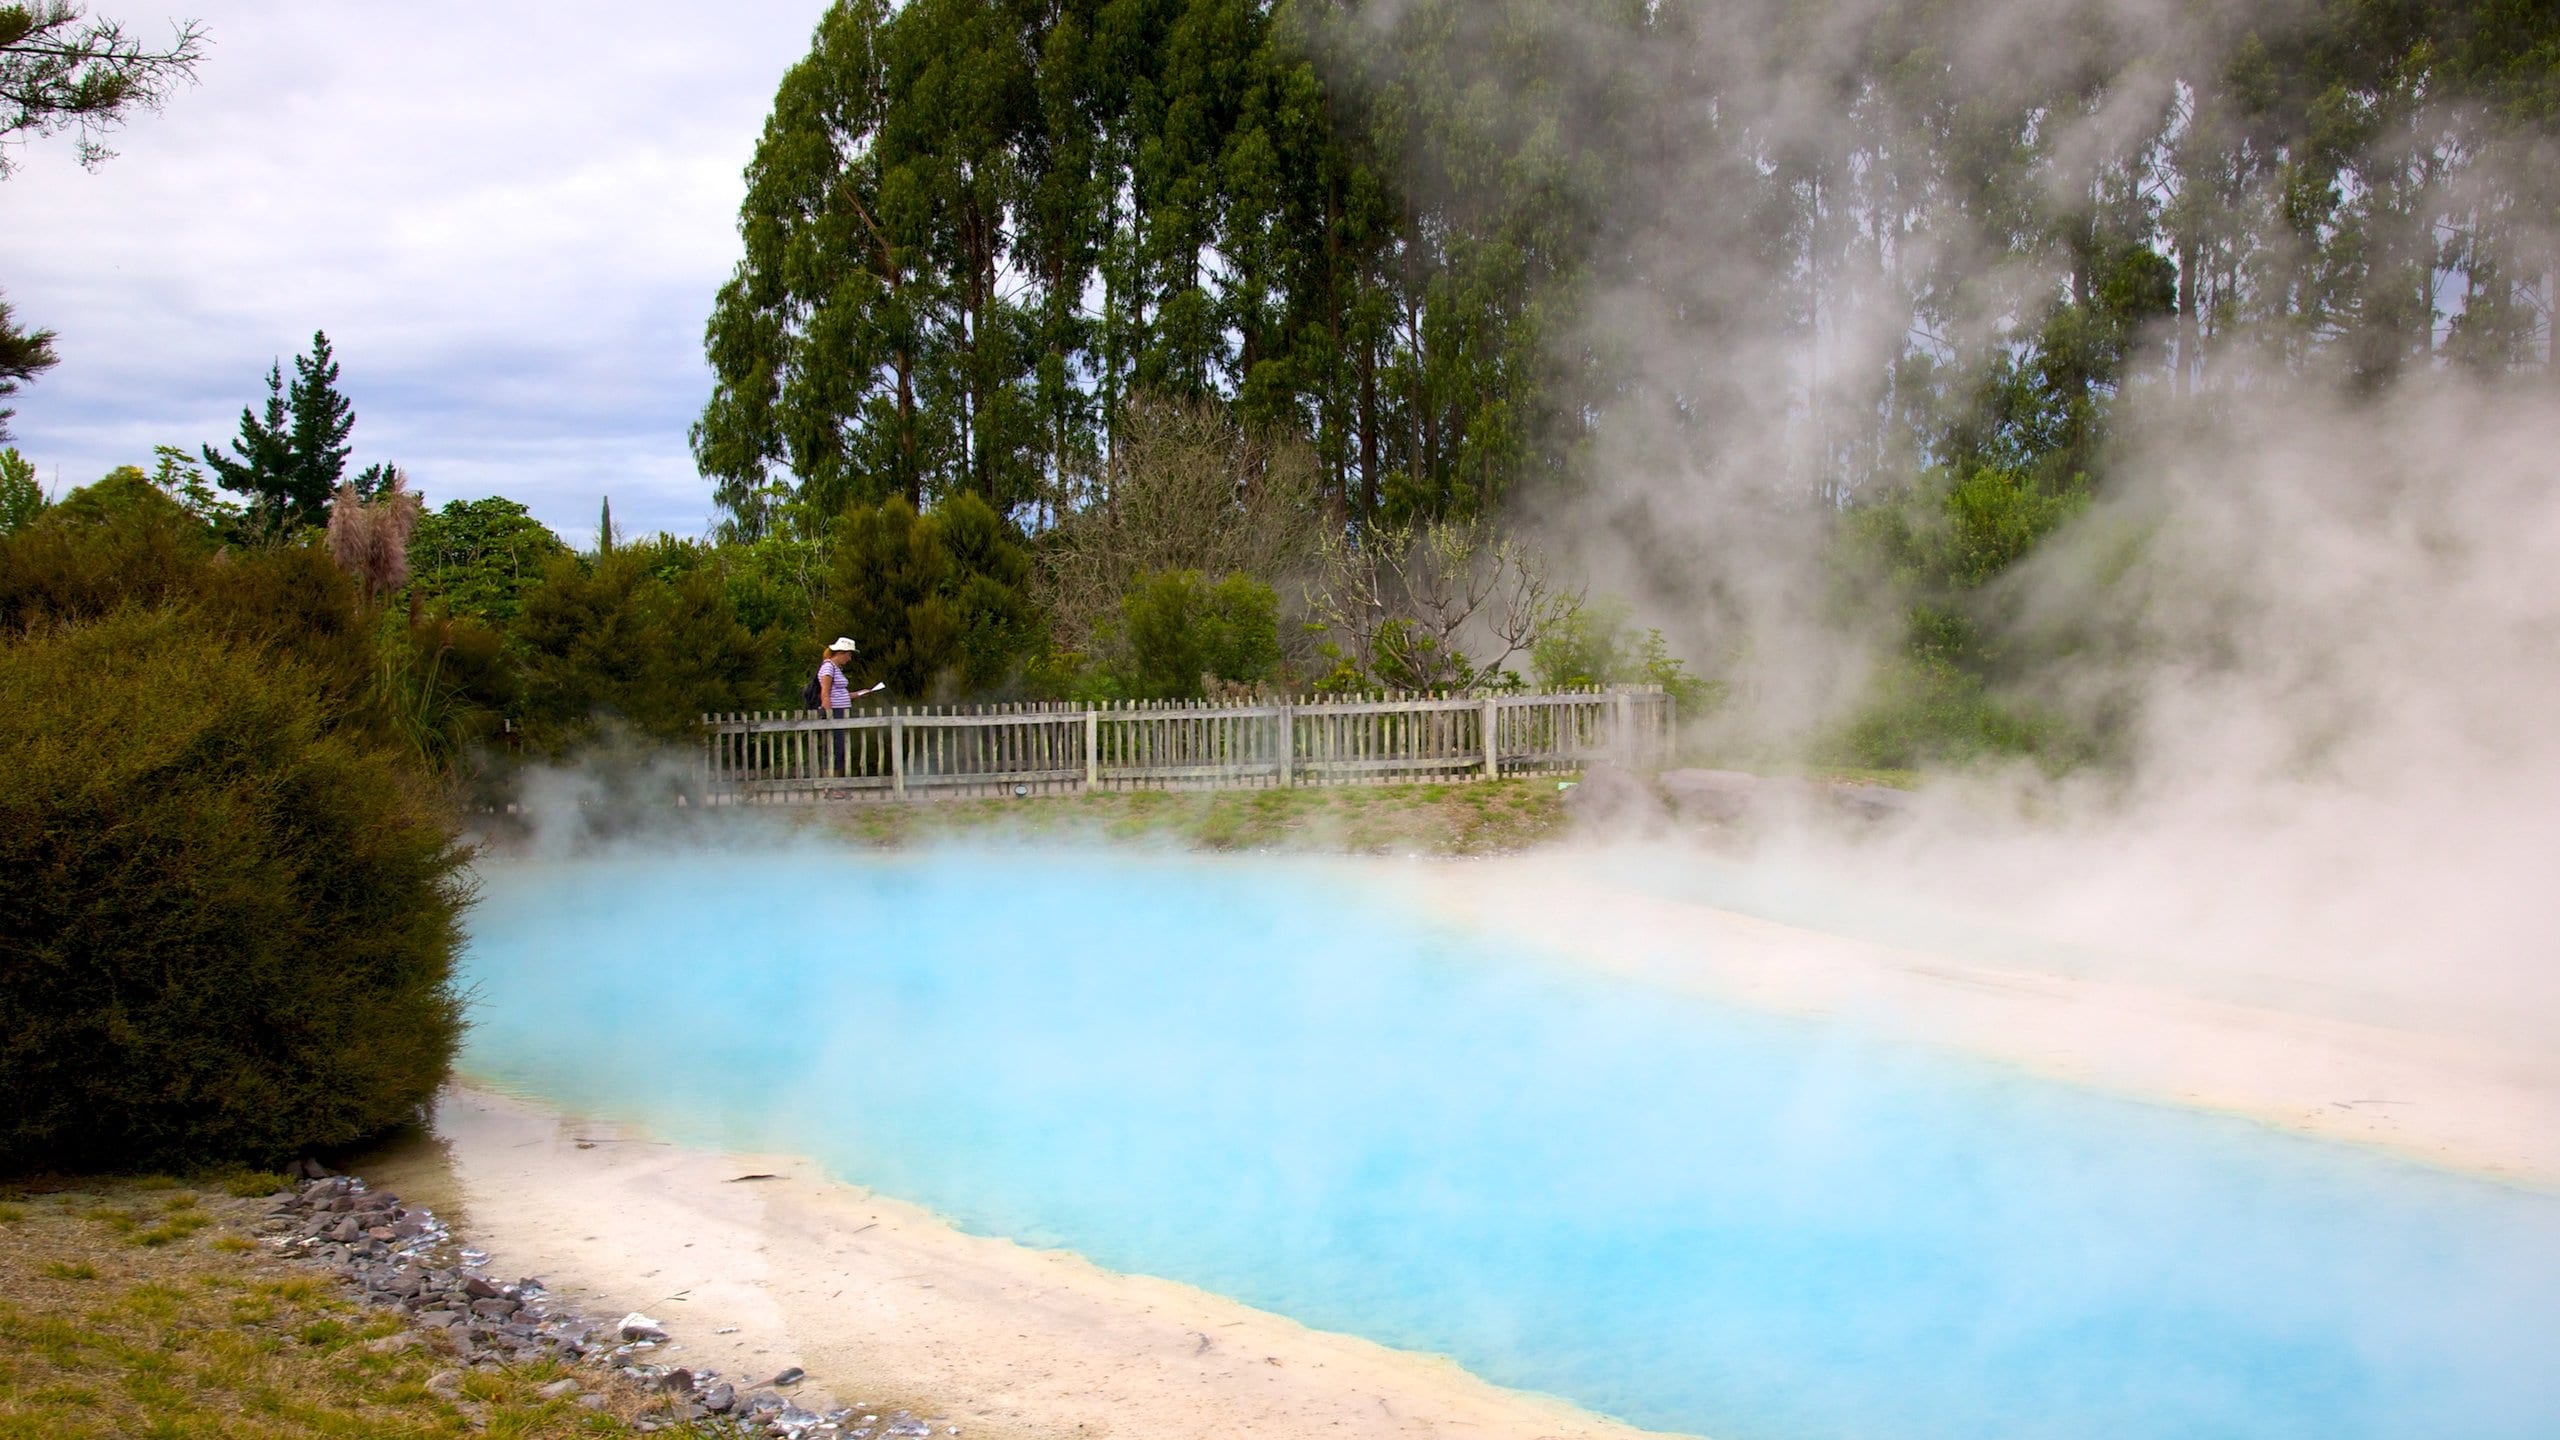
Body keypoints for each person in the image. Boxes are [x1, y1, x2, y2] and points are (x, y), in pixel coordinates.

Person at [815, 638, 857, 783]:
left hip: (841, 711)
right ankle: (830, 785)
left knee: (839, 749)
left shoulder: (835, 668)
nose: (849, 658)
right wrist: (829, 715)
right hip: (835, 713)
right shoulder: (828, 667)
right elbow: (825, 693)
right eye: (849, 655)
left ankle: (835, 784)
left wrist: (858, 694)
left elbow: (839, 692)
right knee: (833, 749)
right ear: (841, 653)